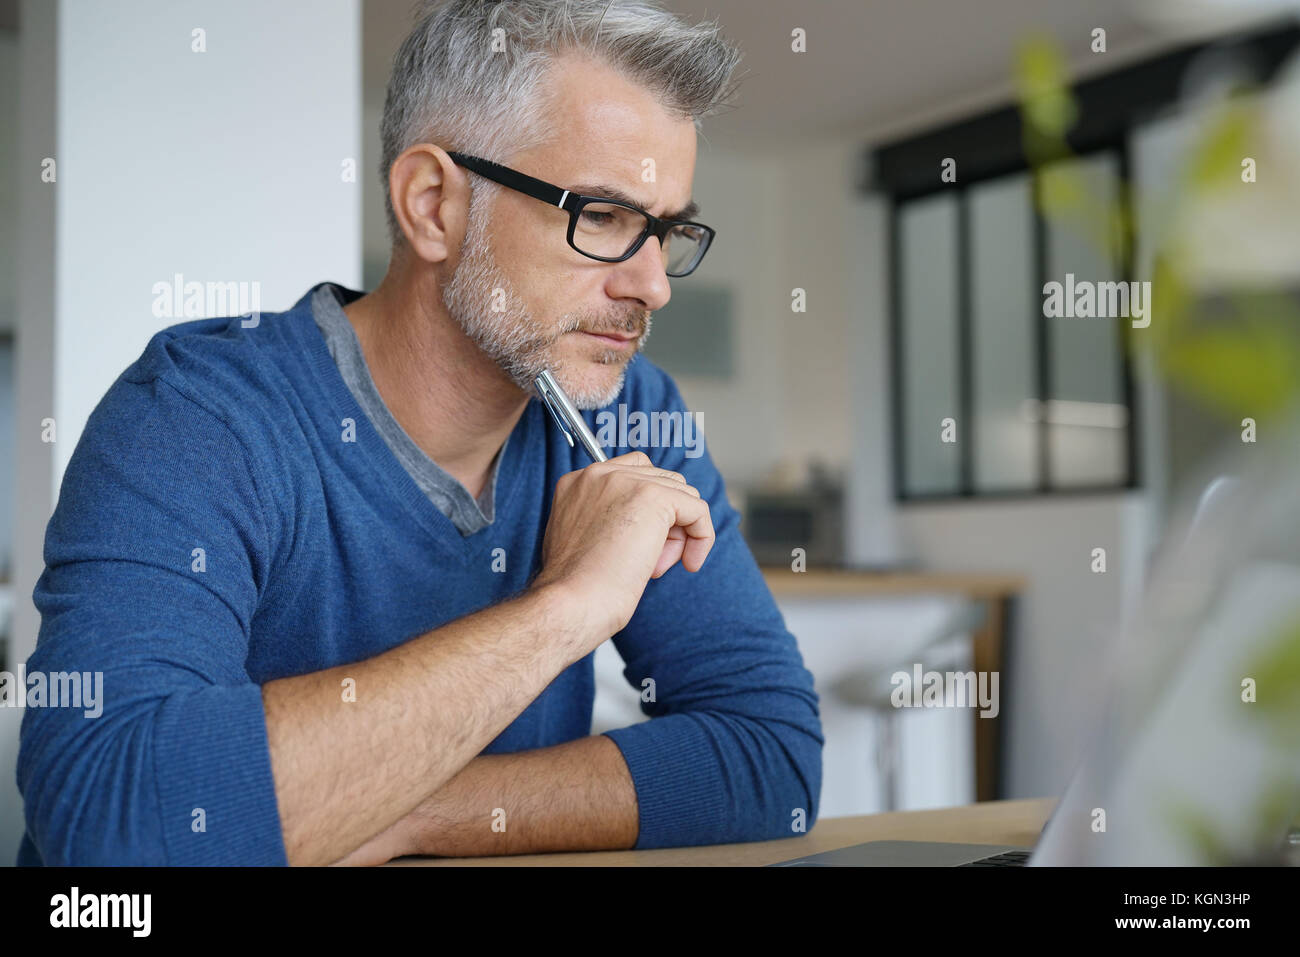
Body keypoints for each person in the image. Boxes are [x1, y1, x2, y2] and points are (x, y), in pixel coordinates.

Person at [16, 0, 822, 866]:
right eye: (604, 217)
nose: (655, 285)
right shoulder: (196, 417)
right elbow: (108, 824)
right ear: (432, 204)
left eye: (665, 231)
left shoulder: (631, 417)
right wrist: (566, 607)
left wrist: (398, 813)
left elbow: (771, 756)